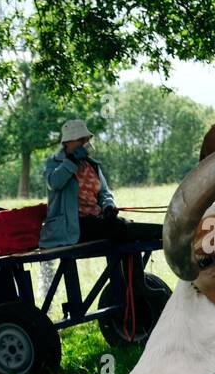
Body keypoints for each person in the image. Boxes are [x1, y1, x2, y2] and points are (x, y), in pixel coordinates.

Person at [37, 119, 161, 302]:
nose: (85, 144)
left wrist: (108, 206)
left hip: (96, 221)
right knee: (122, 229)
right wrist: (71, 162)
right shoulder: (53, 163)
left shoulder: (91, 164)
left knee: (125, 231)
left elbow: (104, 192)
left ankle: (136, 286)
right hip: (73, 227)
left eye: (86, 140)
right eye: (81, 140)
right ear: (67, 143)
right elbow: (54, 182)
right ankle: (164, 231)